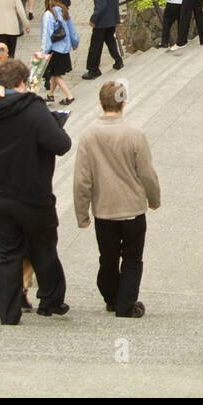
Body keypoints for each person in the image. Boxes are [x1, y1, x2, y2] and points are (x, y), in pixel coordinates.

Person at [0, 59, 74, 324]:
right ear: (23, 81)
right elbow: (61, 145)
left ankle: (8, 313)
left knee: (5, 256)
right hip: (32, 195)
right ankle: (50, 301)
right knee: (44, 248)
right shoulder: (33, 109)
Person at [74, 81, 161, 318]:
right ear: (123, 103)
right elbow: (146, 173)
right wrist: (154, 198)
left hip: (104, 210)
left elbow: (82, 179)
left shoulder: (88, 136)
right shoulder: (135, 134)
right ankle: (126, 304)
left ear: (100, 103)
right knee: (132, 258)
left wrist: (82, 214)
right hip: (132, 207)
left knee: (108, 257)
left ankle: (112, 296)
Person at [40, 0, 79, 104]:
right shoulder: (63, 10)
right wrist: (75, 42)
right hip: (65, 48)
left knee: (56, 75)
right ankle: (50, 94)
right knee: (54, 73)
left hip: (54, 49)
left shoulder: (48, 14)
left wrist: (43, 52)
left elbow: (46, 34)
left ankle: (69, 96)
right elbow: (71, 28)